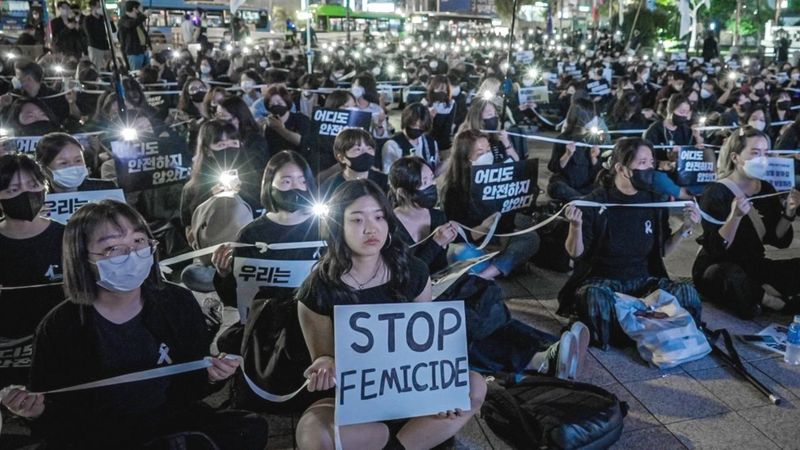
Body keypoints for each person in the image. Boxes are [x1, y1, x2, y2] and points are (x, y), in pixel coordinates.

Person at [0, 200, 269, 449]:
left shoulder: (177, 302)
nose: (131, 254)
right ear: (82, 256)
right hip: (97, 433)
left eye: (139, 240)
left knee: (249, 427)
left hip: (168, 422)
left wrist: (211, 376)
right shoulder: (59, 326)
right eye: (113, 248)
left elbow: (190, 389)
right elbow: (57, 414)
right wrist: (34, 411)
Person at [294, 179, 487, 450]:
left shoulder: (413, 271)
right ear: (339, 226)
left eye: (379, 217)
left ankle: (396, 444)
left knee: (474, 385)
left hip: (412, 392)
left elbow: (429, 348)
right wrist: (325, 364)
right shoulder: (318, 288)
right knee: (313, 433)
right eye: (357, 220)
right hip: (356, 403)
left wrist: (440, 393)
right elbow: (323, 356)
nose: (371, 228)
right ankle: (414, 440)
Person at [558, 138, 703, 349]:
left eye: (651, 163)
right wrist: (576, 226)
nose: (649, 168)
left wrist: (685, 228)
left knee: (687, 292)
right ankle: (647, 328)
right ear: (621, 168)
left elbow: (662, 250)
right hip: (606, 285)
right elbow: (575, 253)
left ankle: (631, 328)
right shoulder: (595, 201)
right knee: (593, 299)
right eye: (642, 163)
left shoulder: (654, 200)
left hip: (645, 283)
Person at [693, 126, 800, 318]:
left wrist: (789, 213)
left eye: (765, 153)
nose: (762, 158)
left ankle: (757, 295)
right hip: (719, 265)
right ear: (735, 158)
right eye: (754, 152)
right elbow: (717, 249)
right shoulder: (716, 193)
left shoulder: (765, 187)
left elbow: (777, 239)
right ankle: (772, 300)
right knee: (728, 277)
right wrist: (735, 217)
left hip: (754, 265)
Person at [0, 155, 65, 387]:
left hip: (61, 347)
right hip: (9, 356)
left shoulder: (68, 237)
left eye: (33, 185)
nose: (25, 194)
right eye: (13, 189)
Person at [441, 130, 539, 280]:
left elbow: (509, 224)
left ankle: (484, 275)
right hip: (474, 245)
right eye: (480, 152)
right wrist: (483, 228)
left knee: (531, 238)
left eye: (488, 150)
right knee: (462, 253)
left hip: (501, 241)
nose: (487, 155)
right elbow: (456, 235)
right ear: (466, 157)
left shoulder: (499, 175)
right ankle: (499, 268)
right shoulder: (454, 189)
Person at [546, 98, 605, 202]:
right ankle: (584, 201)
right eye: (592, 115)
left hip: (587, 186)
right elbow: (553, 167)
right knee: (555, 187)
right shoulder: (563, 139)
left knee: (604, 186)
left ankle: (578, 200)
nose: (595, 119)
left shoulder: (593, 139)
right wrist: (567, 155)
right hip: (568, 184)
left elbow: (597, 172)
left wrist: (594, 158)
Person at [643, 93, 700, 199]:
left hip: (682, 173)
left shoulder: (686, 130)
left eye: (687, 113)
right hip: (660, 173)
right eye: (681, 112)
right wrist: (661, 164)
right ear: (670, 109)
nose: (684, 116)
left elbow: (696, 155)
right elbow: (645, 157)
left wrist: (698, 138)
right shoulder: (654, 131)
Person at [0, 59, 79, 125]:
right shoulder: (14, 97)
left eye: (18, 76)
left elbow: (73, 120)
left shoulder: (55, 97)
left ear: (28, 79)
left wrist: (72, 103)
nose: (15, 79)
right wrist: (2, 105)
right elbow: (5, 123)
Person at [34, 132, 116, 193]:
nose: (73, 167)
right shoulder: (37, 200)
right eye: (64, 163)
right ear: (44, 168)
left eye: (78, 160)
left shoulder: (106, 189)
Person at [320, 128, 388, 198]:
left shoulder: (385, 182)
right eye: (357, 149)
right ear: (342, 158)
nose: (365, 153)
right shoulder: (329, 187)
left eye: (369, 148)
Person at [381, 103, 439, 173]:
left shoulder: (431, 143)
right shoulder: (393, 145)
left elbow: (435, 166)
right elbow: (389, 175)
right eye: (414, 125)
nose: (417, 129)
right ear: (406, 121)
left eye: (421, 127)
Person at [458, 98, 520, 163]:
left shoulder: (499, 137)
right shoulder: (468, 138)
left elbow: (516, 161)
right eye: (490, 114)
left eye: (495, 114)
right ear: (478, 117)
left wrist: (506, 143)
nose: (494, 117)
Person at [262, 85, 311, 155]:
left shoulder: (301, 119)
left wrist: (280, 129)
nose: (276, 105)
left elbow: (302, 142)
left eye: (279, 103)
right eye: (272, 104)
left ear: (286, 102)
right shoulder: (268, 125)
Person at [118, 0, 150, 70]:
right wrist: (144, 15)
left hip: (144, 50)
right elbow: (130, 25)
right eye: (139, 8)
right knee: (136, 73)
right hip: (133, 52)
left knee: (147, 72)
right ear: (134, 9)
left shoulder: (137, 19)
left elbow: (144, 34)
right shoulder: (123, 20)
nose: (140, 10)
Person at [83, 0, 114, 70]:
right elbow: (89, 34)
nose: (100, 8)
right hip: (95, 47)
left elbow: (113, 30)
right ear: (92, 7)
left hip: (106, 46)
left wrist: (110, 20)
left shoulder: (103, 18)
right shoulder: (87, 19)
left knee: (110, 66)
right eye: (98, 6)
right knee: (97, 67)